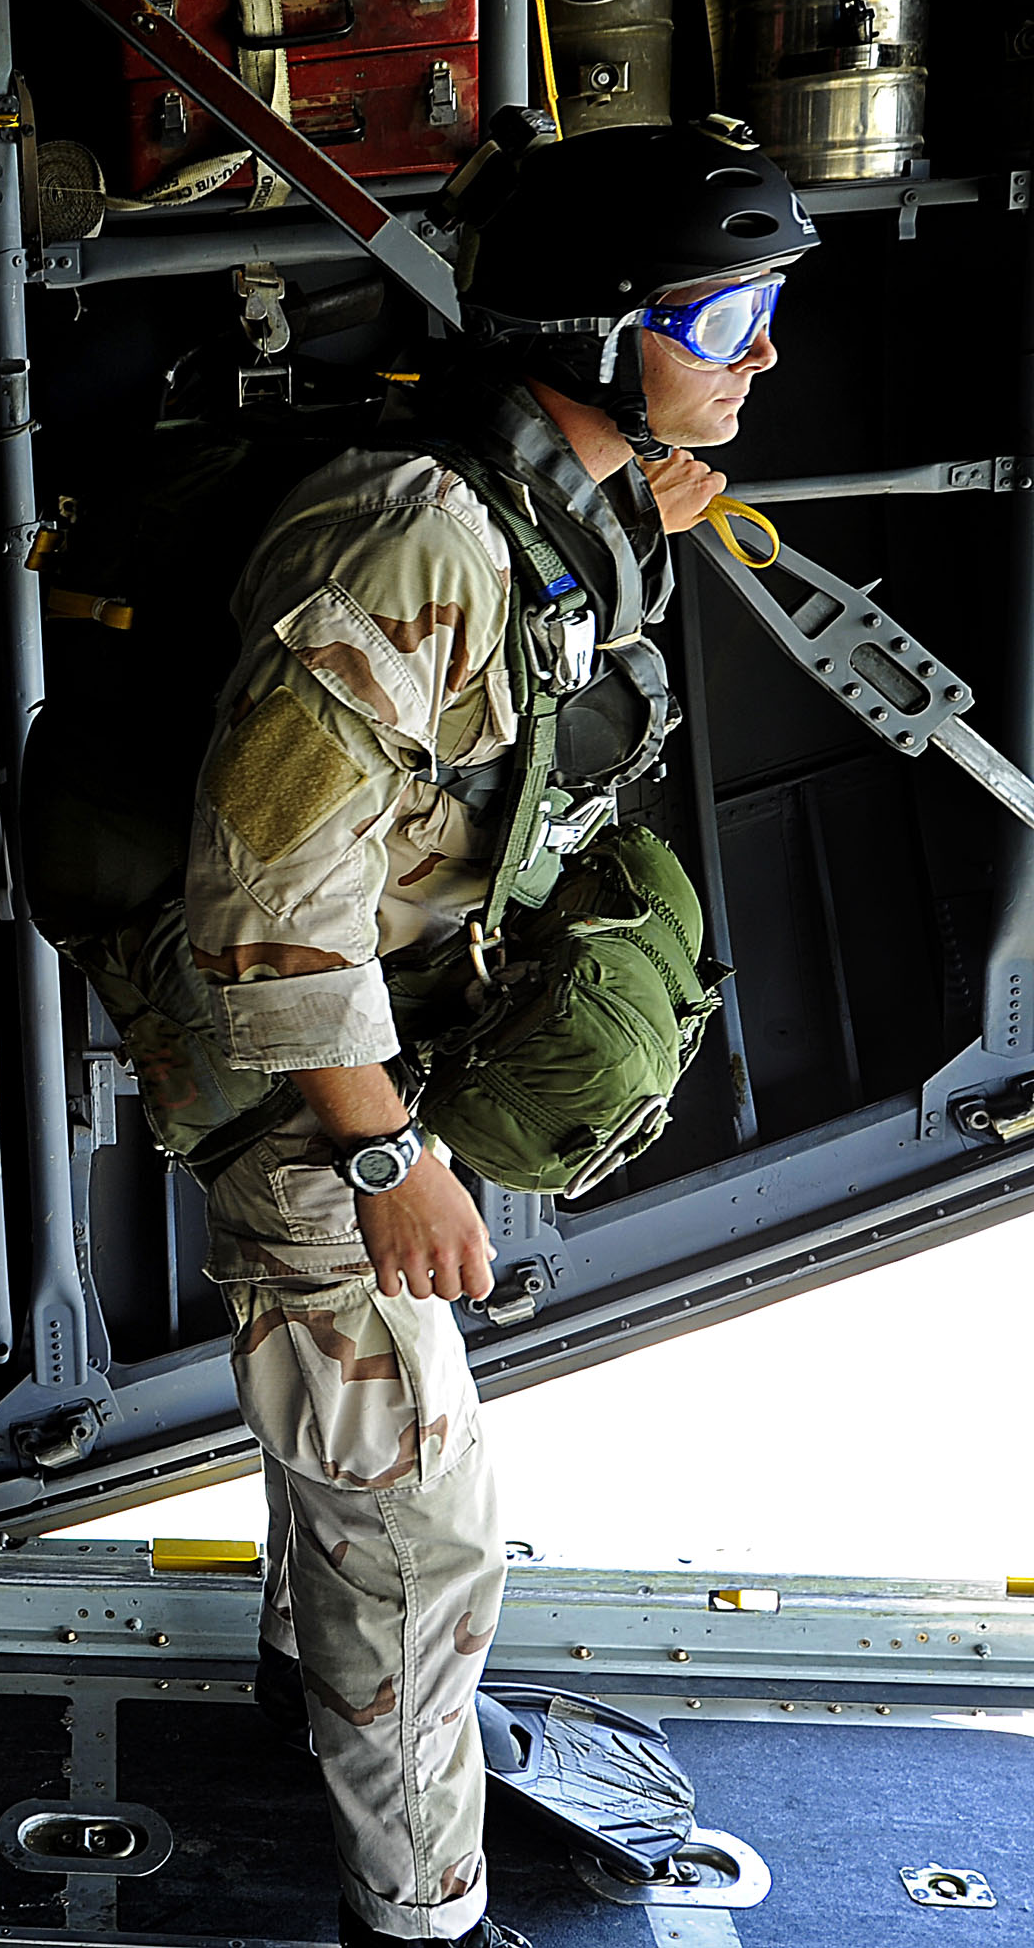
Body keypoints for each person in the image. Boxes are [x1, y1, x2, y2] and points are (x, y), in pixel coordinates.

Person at [179, 116, 814, 1947]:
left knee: (357, 1461)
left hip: (383, 1035)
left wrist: (637, 508)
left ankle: (304, 1686)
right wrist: (386, 1152)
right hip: (307, 1081)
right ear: (599, 331)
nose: (765, 351)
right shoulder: (417, 542)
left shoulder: (543, 500)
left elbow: (548, 602)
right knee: (421, 1522)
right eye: (726, 314)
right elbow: (259, 897)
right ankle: (420, 1917)